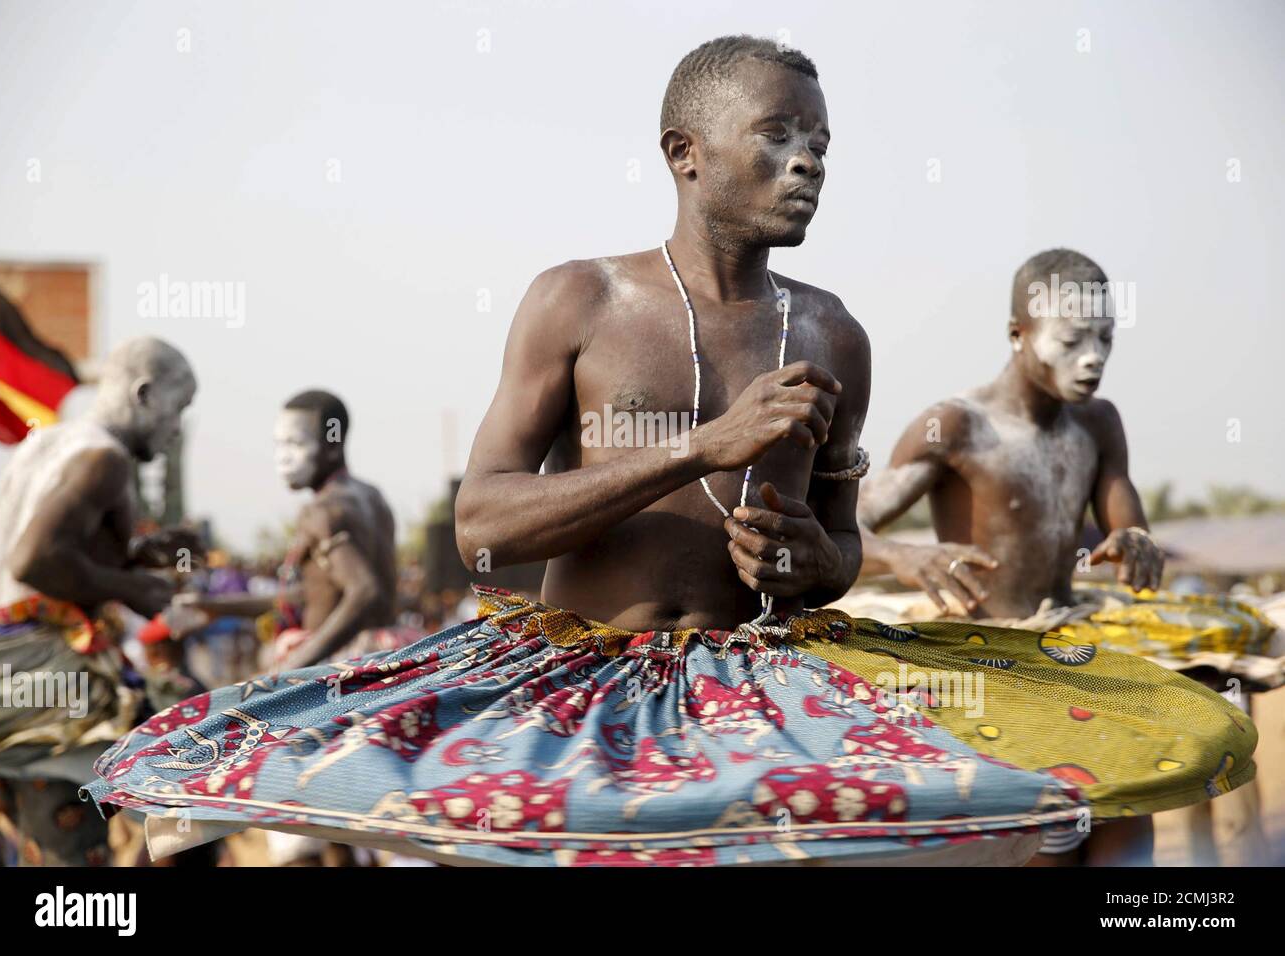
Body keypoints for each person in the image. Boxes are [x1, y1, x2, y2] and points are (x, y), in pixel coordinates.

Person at [83, 37, 1254, 868]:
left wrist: (811, 555)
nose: (809, 163)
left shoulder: (832, 328)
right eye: (779, 137)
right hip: (581, 680)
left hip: (773, 679)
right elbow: (483, 525)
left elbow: (844, 548)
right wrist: (700, 445)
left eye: (823, 143)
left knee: (1101, 798)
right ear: (683, 151)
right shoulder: (577, 301)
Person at [851, 248, 1280, 863]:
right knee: (1051, 827)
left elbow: (1122, 511)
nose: (1094, 358)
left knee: (1157, 767)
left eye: (1106, 338)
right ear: (1018, 335)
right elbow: (849, 528)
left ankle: (1207, 877)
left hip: (1070, 629)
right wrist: (904, 557)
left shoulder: (1097, 423)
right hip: (989, 643)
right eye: (1073, 339)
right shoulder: (956, 425)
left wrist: (1136, 540)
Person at [0, 337, 199, 865]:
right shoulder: (105, 458)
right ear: (145, 394)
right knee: (199, 766)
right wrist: (135, 588)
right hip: (52, 692)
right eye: (179, 410)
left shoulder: (48, 442)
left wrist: (139, 554)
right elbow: (32, 561)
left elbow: (54, 557)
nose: (176, 430)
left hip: (4, 674)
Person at [172, 389, 399, 670]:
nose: (282, 458)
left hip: (346, 664)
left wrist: (292, 667)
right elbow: (311, 594)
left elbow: (365, 591)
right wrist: (214, 606)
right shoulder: (373, 498)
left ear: (333, 446)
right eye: (278, 445)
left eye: (295, 444)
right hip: (390, 656)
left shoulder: (322, 509)